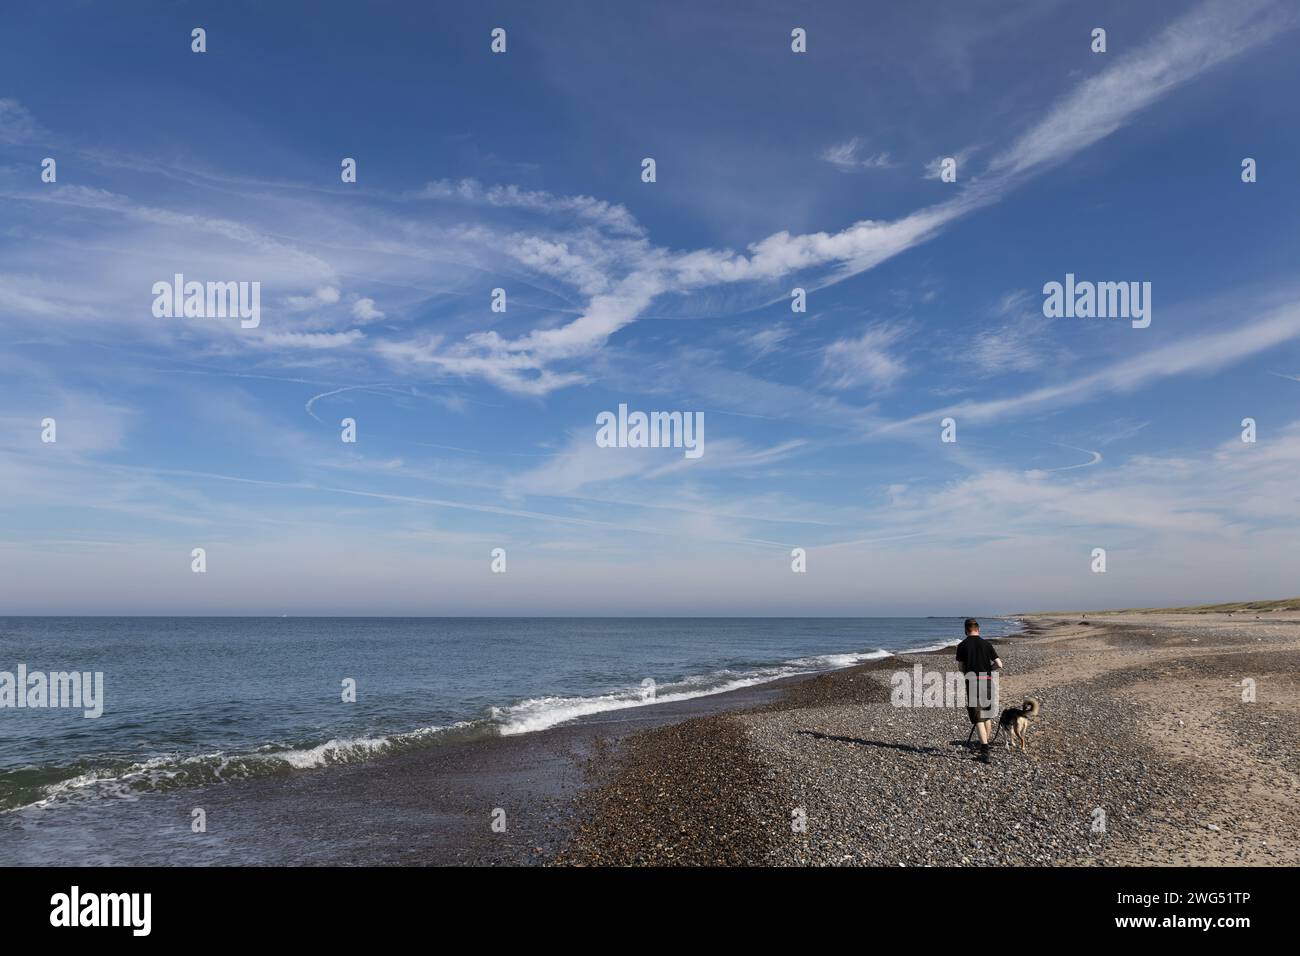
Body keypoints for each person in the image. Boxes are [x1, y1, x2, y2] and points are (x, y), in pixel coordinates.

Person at [956, 618, 1002, 764]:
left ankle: (985, 750)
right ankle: (985, 744)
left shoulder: (962, 645)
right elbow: (999, 664)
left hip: (973, 682)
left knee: (978, 718)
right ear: (978, 629)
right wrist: (989, 670)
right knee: (986, 715)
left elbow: (961, 667)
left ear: (965, 630)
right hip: (988, 681)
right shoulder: (986, 644)